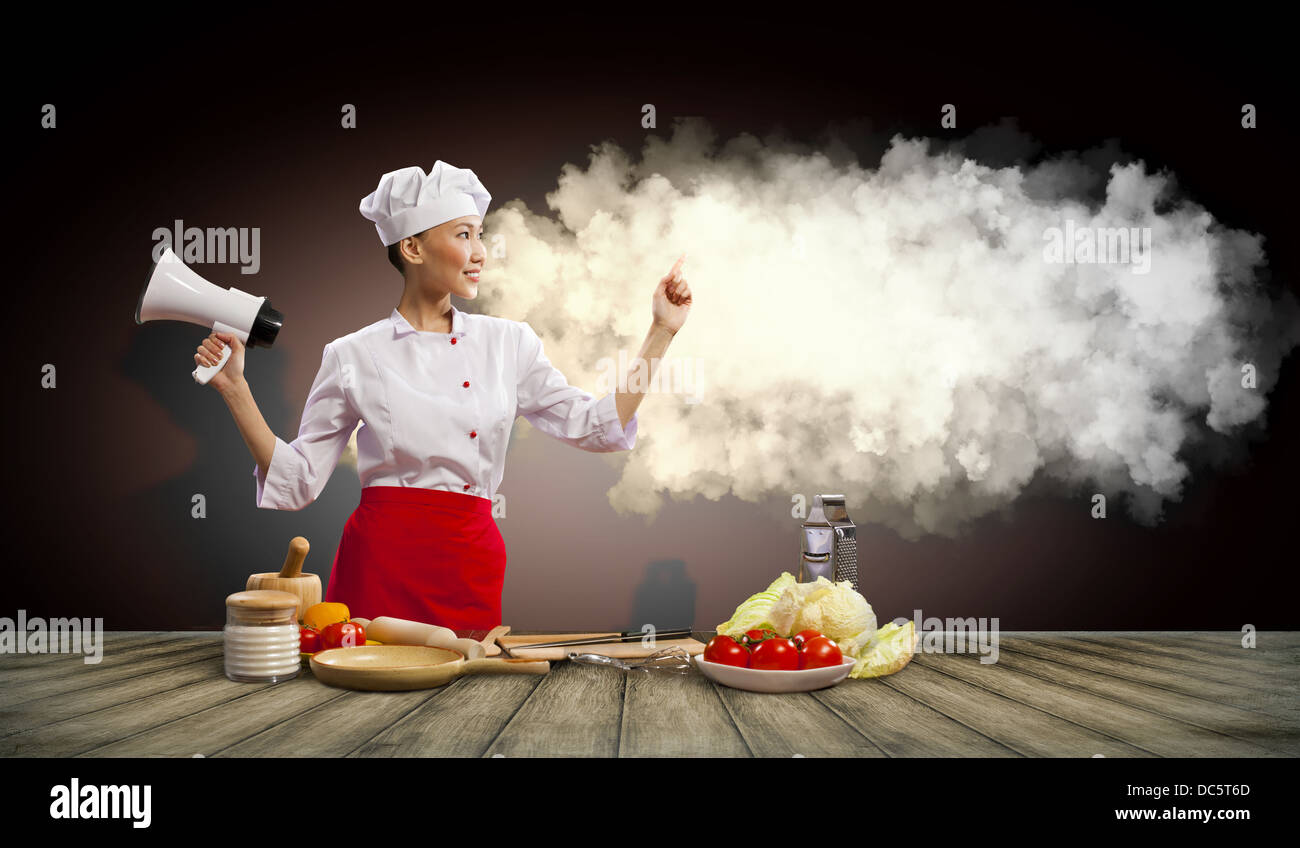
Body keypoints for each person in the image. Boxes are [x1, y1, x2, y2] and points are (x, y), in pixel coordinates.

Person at [199, 161, 692, 630]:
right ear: (412, 248)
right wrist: (236, 389)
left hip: (470, 560)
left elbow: (595, 425)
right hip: (380, 564)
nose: (481, 252)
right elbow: (299, 481)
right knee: (367, 702)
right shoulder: (351, 354)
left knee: (465, 708)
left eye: (480, 234)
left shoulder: (509, 343)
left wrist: (660, 333)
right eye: (463, 235)